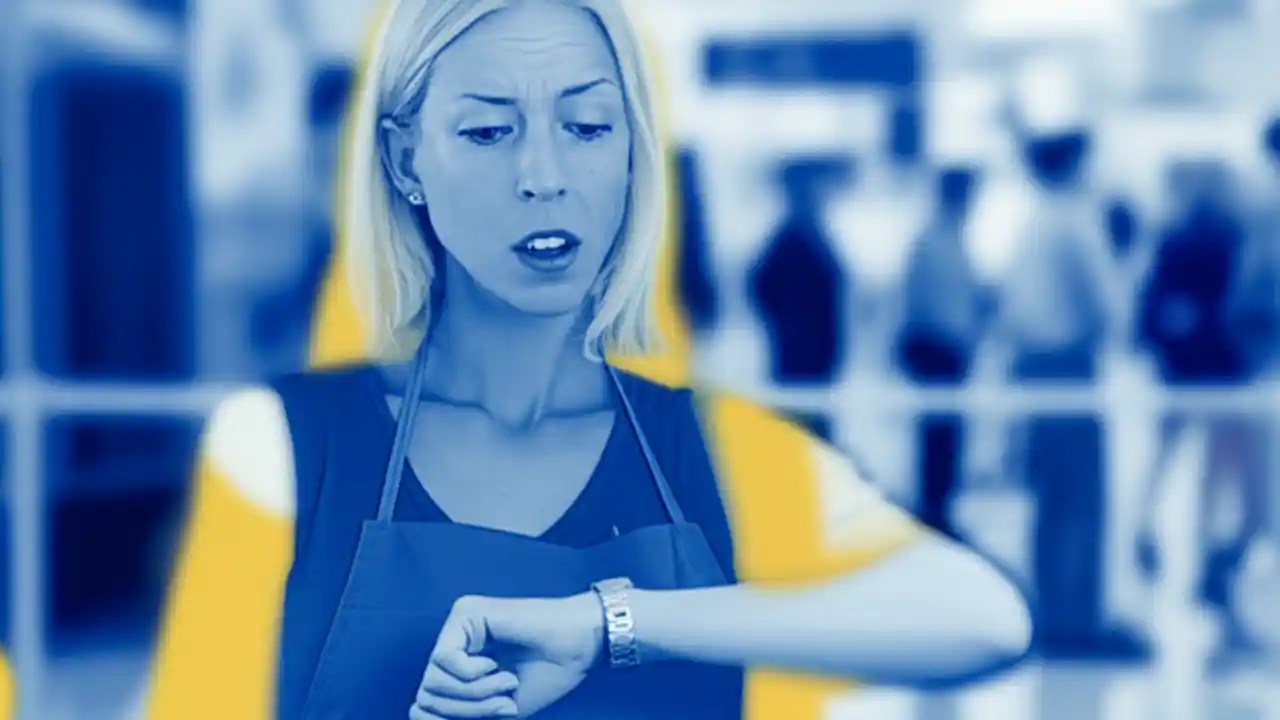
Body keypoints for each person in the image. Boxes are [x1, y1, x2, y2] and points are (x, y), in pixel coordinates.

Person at [147, 2, 1031, 718]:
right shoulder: (281, 449)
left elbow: (984, 620)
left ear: (633, 155)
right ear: (404, 159)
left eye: (587, 125)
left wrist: (611, 624)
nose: (544, 174)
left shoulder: (715, 451)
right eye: (488, 132)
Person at [980, 128, 1146, 660]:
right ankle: (1078, 622)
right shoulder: (1075, 221)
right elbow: (1111, 308)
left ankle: (1054, 613)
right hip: (1068, 366)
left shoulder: (1033, 221)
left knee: (1051, 497)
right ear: (1076, 162)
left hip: (1030, 366)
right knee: (1079, 496)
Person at [895, 167, 984, 540]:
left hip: (950, 350)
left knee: (947, 437)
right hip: (937, 350)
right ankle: (933, 513)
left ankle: (940, 509)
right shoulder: (934, 240)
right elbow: (925, 302)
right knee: (937, 437)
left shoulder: (951, 238)